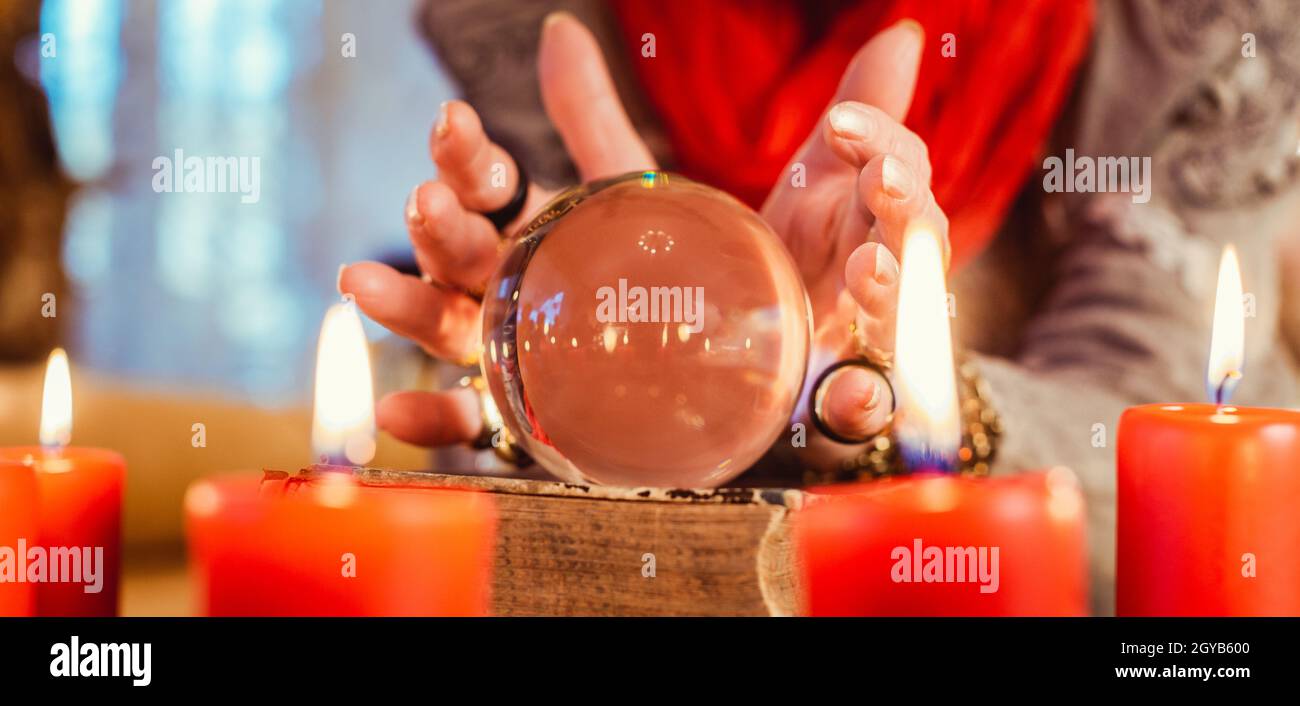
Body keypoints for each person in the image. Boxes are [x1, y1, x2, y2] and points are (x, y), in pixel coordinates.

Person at [339, 2, 1300, 614]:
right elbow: (519, 459)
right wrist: (593, 394)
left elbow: (1162, 471)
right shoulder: (545, 20)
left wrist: (867, 402)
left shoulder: (1196, 29)